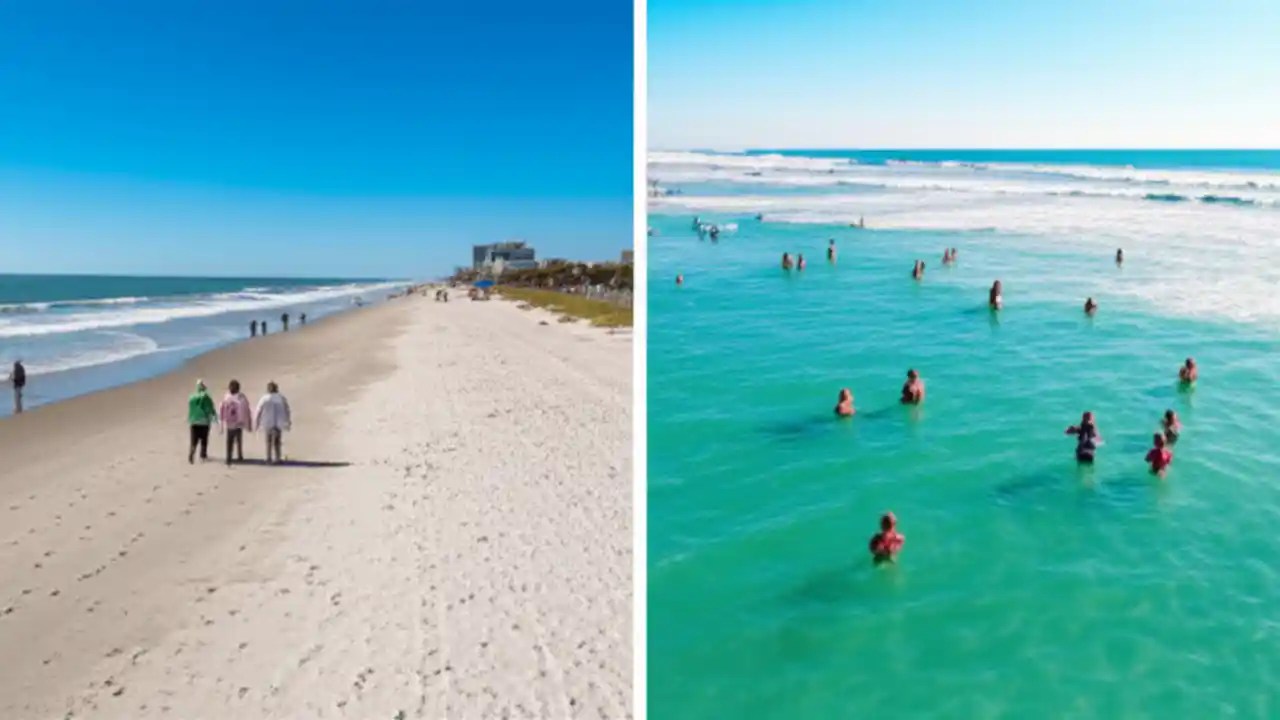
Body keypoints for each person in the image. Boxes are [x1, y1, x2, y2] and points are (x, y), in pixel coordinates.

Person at [255, 381, 292, 465]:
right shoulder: (281, 398)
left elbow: (258, 410)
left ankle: (268, 458)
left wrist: (256, 422)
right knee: (277, 442)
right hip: (278, 423)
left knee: (268, 441)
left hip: (267, 422)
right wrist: (288, 421)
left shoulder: (264, 398)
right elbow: (287, 409)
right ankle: (277, 458)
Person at [218, 380, 253, 465]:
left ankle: (229, 458)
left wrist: (221, 422)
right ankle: (239, 456)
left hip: (230, 423)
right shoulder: (241, 397)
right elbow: (246, 410)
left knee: (229, 441)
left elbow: (222, 409)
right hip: (238, 423)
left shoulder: (227, 397)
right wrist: (248, 423)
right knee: (238, 440)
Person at [187, 380, 218, 464]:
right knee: (204, 439)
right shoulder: (206, 397)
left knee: (194, 440)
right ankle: (203, 455)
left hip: (194, 421)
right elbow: (210, 407)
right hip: (204, 422)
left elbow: (191, 409)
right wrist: (214, 415)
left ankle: (192, 451)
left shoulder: (191, 397)